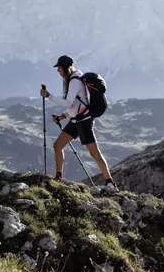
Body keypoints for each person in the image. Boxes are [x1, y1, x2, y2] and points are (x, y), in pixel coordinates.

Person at [41, 55, 115, 186]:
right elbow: (74, 105)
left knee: (94, 153)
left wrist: (49, 96)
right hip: (76, 120)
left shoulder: (74, 81)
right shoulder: (71, 79)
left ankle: (110, 183)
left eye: (59, 67)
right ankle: (58, 179)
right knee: (57, 146)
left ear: (65, 68)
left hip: (84, 121)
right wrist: (61, 117)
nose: (57, 70)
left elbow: (67, 103)